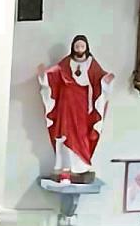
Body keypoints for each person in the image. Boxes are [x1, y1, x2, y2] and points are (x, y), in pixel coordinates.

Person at [37, 35, 114, 178]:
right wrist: (43, 76)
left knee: (81, 134)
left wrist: (106, 81)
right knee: (65, 132)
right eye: (77, 46)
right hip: (66, 105)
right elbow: (52, 75)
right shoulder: (66, 63)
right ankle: (64, 167)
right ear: (73, 47)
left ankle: (81, 166)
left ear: (86, 48)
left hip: (83, 106)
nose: (79, 49)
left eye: (82, 46)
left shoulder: (92, 63)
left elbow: (100, 78)